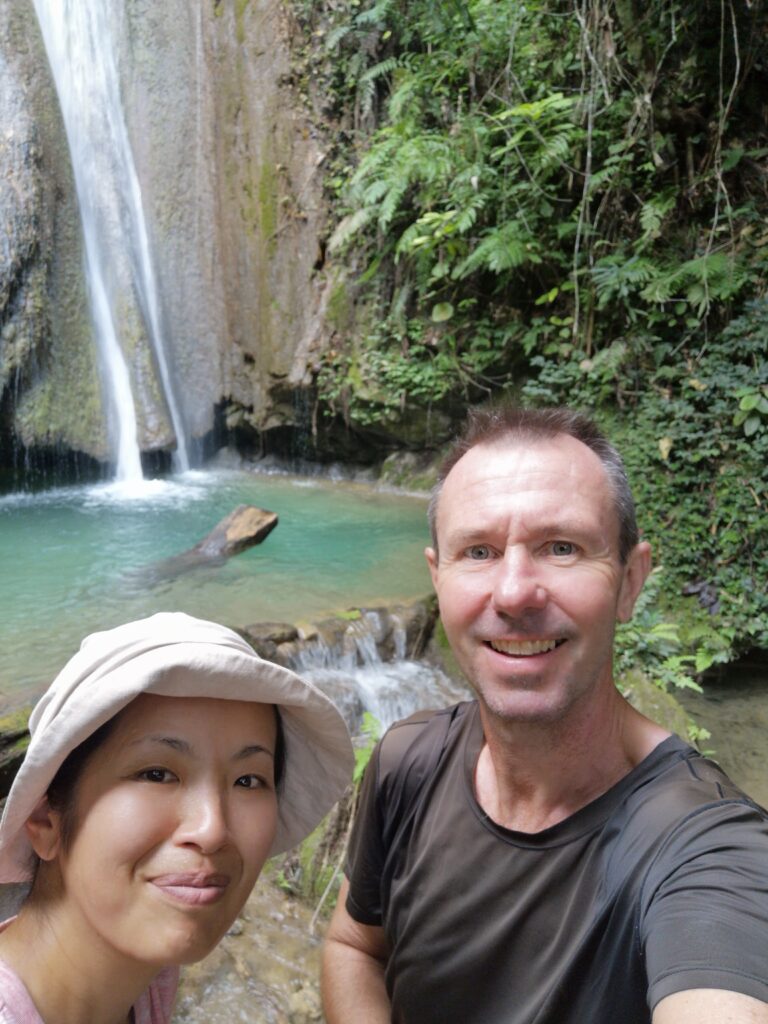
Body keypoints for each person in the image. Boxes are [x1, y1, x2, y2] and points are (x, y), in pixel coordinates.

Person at [321, 405, 768, 1024]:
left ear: (630, 581)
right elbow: (354, 946)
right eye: (478, 551)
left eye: (561, 547)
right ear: (438, 577)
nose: (513, 593)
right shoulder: (409, 762)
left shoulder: (706, 847)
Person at [0, 611, 353, 1024]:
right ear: (45, 819)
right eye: (156, 774)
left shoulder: (148, 975)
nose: (212, 830)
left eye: (247, 780)